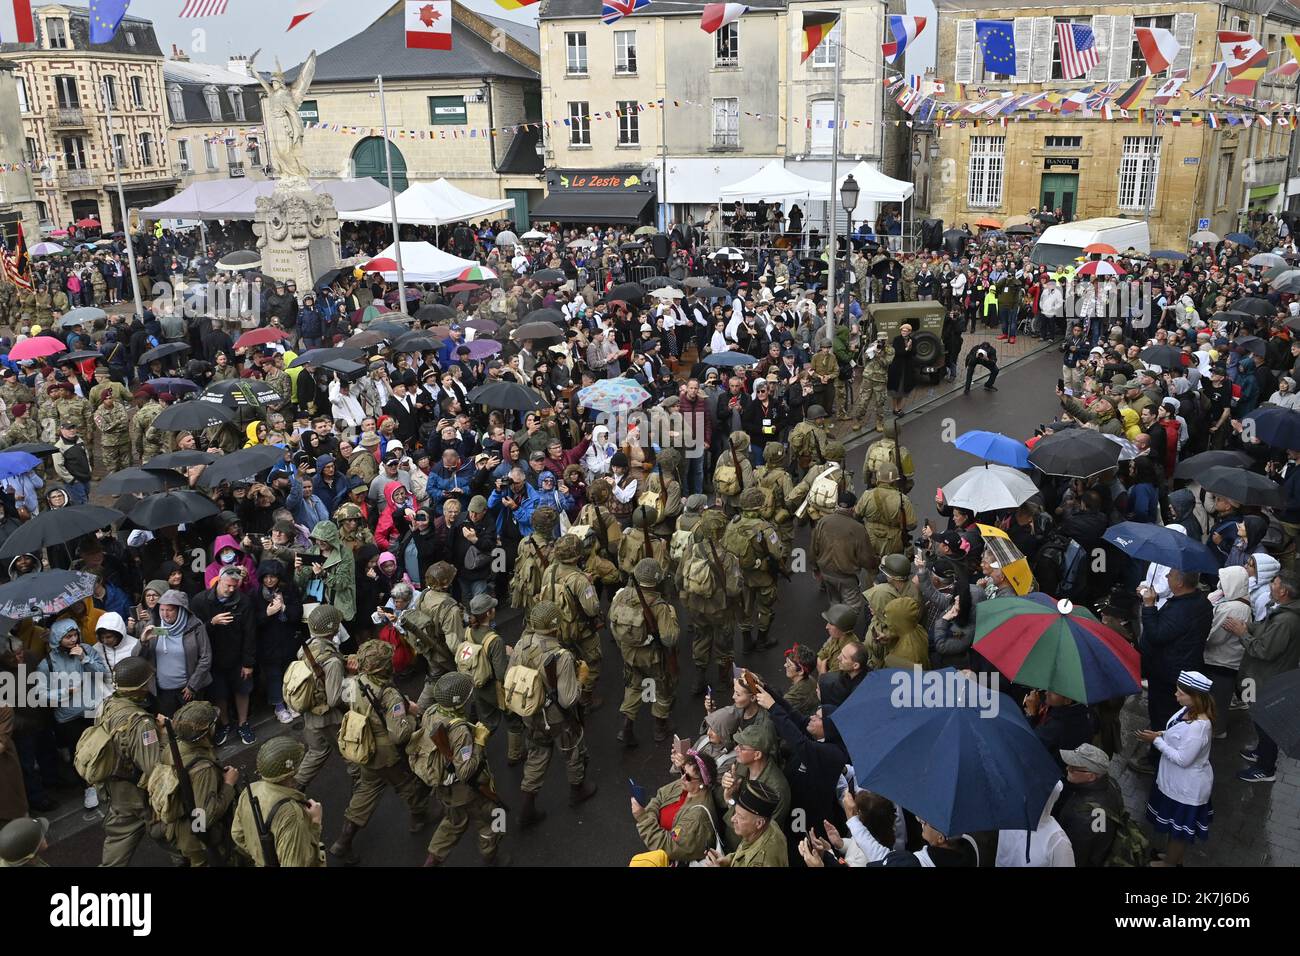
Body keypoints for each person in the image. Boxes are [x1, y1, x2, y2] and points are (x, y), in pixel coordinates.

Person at [329, 640, 433, 865]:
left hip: (364, 747)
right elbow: (399, 735)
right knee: (409, 785)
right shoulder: (390, 695)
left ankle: (343, 841)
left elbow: (345, 703)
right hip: (387, 754)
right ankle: (418, 817)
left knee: (366, 791)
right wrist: (411, 716)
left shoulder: (354, 681)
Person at [513, 601, 598, 825]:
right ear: (555, 626)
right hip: (557, 718)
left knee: (537, 756)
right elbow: (568, 699)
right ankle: (577, 791)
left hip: (530, 712)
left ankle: (526, 807)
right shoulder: (561, 656)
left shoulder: (522, 643)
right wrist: (581, 679)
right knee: (574, 752)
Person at [415, 672, 505, 867]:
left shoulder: (431, 712)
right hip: (468, 792)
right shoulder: (460, 731)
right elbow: (465, 772)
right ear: (459, 703)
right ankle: (492, 857)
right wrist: (480, 742)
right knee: (496, 817)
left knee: (452, 824)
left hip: (445, 789)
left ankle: (430, 863)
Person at [1224, 568, 1300, 783]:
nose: (1271, 585)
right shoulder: (1283, 612)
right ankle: (1261, 752)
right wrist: (1247, 626)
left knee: (1266, 725)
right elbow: (1265, 629)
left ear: (1283, 591)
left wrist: (1242, 634)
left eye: (1274, 583)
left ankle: (1266, 769)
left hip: (1269, 680)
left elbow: (1263, 650)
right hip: (1268, 677)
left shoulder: (1286, 620)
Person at [90, 657, 164, 866]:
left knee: (119, 836)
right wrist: (165, 735)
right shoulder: (141, 722)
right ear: (141, 686)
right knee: (171, 831)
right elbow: (152, 767)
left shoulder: (107, 705)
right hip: (138, 791)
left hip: (114, 786)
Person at [1138, 671, 1216, 867]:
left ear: (1195, 696)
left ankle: (1170, 864)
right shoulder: (1187, 710)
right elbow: (1175, 730)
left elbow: (1183, 759)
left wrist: (1156, 740)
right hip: (1177, 783)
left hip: (1186, 789)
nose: (1176, 695)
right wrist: (1161, 734)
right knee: (1176, 831)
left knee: (1178, 833)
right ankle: (1174, 858)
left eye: (1181, 692)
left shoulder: (1199, 727)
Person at [159, 701, 240, 867]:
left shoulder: (173, 748)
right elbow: (205, 816)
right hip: (198, 838)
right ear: (205, 733)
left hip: (183, 828)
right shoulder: (203, 768)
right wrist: (228, 785)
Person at [610, 558, 679, 747]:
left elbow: (613, 625)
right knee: (663, 686)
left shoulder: (621, 596)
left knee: (633, 687)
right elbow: (669, 639)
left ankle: (626, 727)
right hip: (653, 657)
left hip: (629, 654)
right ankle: (659, 727)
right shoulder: (659, 606)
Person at [231, 737, 325, 867]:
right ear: (292, 772)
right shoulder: (291, 814)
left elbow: (237, 835)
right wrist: (315, 823)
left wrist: (259, 857)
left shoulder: (250, 790)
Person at [190, 566, 257, 746]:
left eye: (235, 586)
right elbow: (192, 632)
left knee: (242, 689)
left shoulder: (244, 601)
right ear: (218, 580)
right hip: (213, 658)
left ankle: (243, 723)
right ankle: (225, 723)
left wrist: (248, 662)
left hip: (237, 655)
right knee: (219, 693)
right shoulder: (200, 601)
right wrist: (212, 623)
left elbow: (250, 633)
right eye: (228, 585)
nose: (231, 589)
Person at [632, 748, 721, 865]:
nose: (682, 778)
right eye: (683, 771)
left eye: (688, 777)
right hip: (656, 837)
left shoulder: (697, 818)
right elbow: (659, 797)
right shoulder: (686, 786)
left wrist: (644, 819)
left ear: (702, 782)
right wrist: (651, 819)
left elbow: (669, 847)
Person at [137, 589, 212, 718]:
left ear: (180, 610)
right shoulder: (154, 626)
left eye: (170, 610)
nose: (165, 614)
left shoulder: (195, 626)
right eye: (161, 610)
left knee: (192, 725)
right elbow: (137, 659)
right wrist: (142, 642)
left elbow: (205, 657)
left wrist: (192, 686)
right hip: (163, 692)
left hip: (187, 690)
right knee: (169, 728)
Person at [704, 778, 788, 867]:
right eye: (735, 812)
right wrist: (728, 860)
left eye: (740, 816)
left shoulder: (761, 863)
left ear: (759, 823)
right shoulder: (768, 825)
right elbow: (747, 851)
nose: (732, 819)